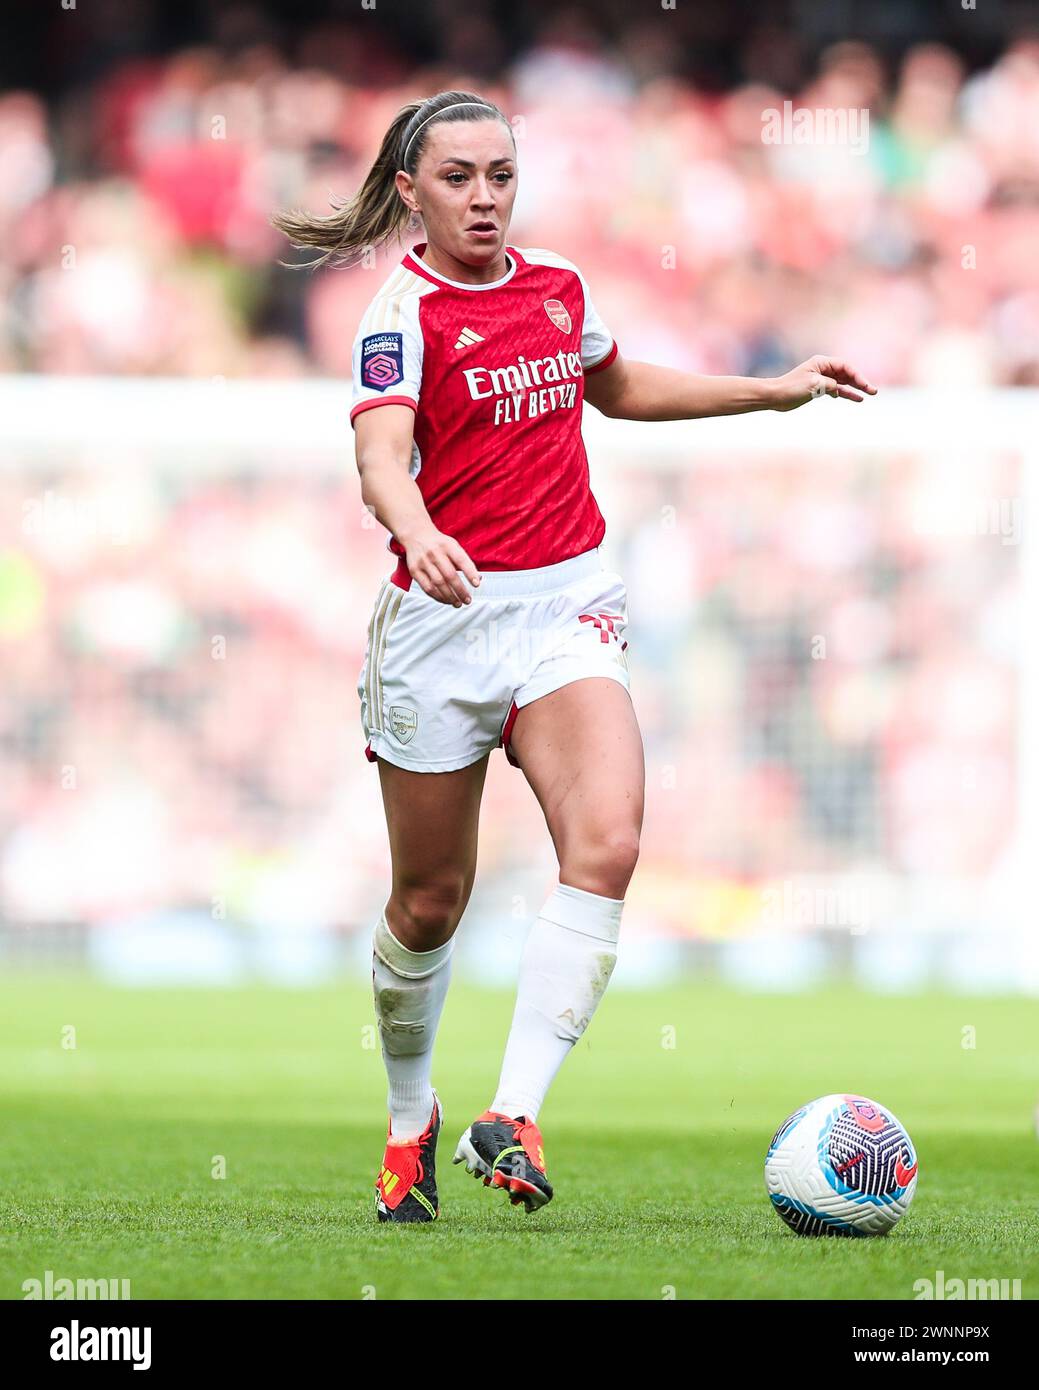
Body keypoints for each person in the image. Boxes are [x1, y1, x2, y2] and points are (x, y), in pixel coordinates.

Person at [273, 89, 876, 1222]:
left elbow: (619, 385)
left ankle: (515, 1112)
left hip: (565, 608)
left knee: (608, 841)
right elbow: (381, 458)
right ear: (411, 193)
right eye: (458, 178)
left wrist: (771, 390)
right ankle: (412, 1120)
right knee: (428, 901)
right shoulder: (400, 318)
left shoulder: (557, 288)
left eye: (500, 174)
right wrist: (418, 531)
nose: (485, 197)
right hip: (443, 626)